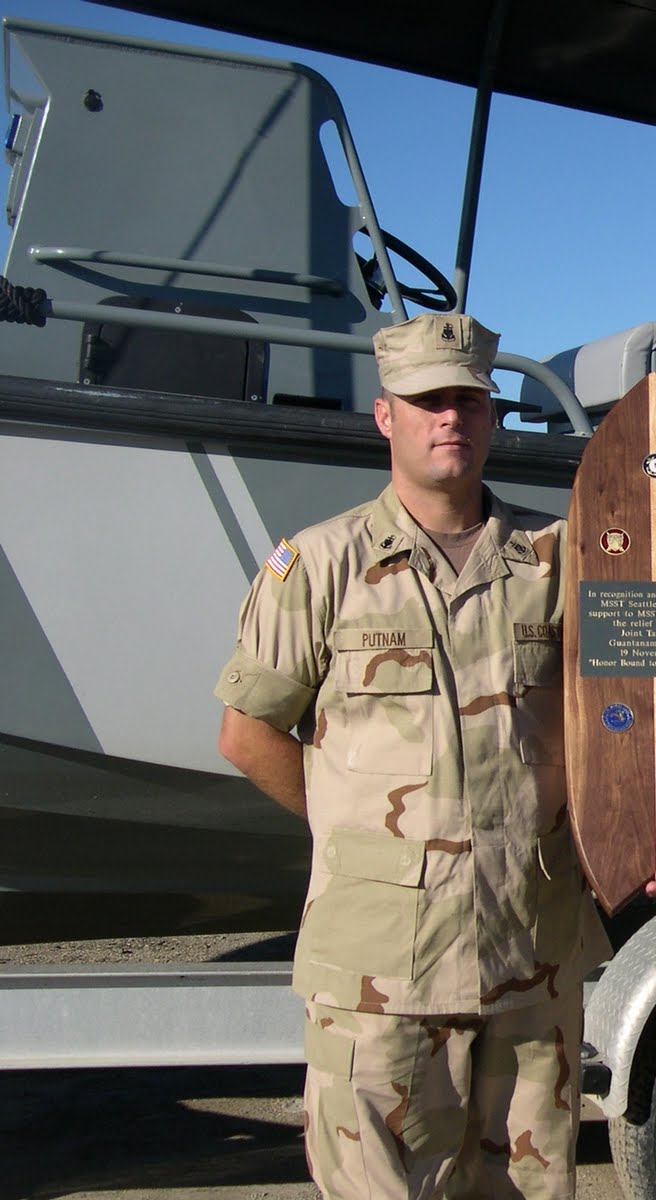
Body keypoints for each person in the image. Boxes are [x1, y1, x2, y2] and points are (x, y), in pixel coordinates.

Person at [215, 311, 607, 1200]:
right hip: (379, 968)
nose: (451, 419)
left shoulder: (560, 557)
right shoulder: (320, 565)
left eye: (469, 399)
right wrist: (366, 841)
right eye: (427, 400)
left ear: (493, 415)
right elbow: (248, 733)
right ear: (385, 415)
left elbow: (624, 716)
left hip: (530, 957)